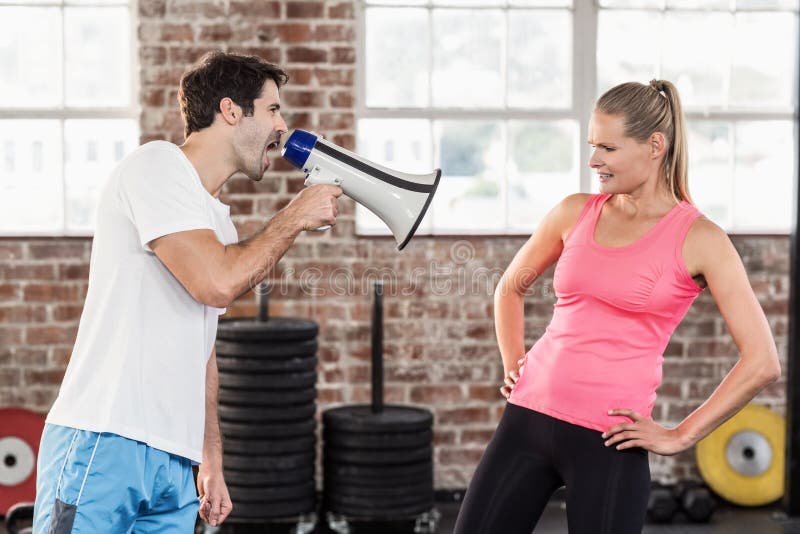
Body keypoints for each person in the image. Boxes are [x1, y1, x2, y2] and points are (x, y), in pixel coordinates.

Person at [32, 51, 342, 533]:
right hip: (106, 437)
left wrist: (209, 457)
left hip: (174, 462)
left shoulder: (215, 218)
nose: (283, 127)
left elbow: (201, 348)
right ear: (231, 110)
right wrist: (296, 215)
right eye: (274, 109)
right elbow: (217, 281)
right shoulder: (156, 165)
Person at [453, 79, 781, 534]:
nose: (593, 161)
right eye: (592, 145)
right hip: (526, 420)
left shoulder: (702, 240)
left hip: (610, 442)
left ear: (654, 145)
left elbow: (763, 362)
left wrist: (679, 434)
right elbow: (510, 286)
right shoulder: (575, 211)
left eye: (607, 147)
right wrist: (514, 362)